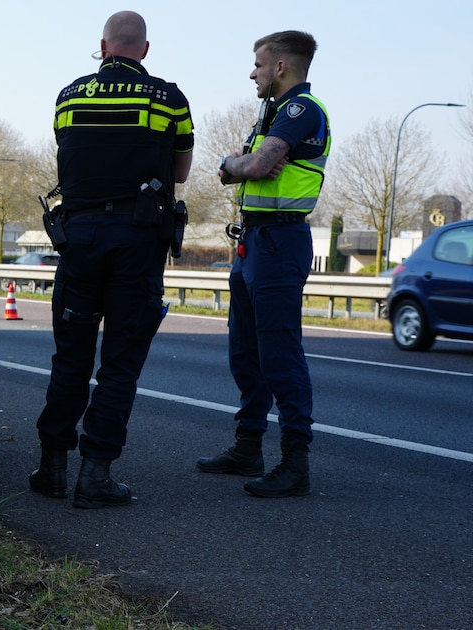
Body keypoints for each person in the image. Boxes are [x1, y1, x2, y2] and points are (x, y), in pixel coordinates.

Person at [29, 10, 194, 509]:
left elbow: (70, 153)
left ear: (103, 47)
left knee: (70, 359)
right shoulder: (169, 99)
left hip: (78, 241)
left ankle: (52, 468)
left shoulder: (69, 95)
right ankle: (95, 475)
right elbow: (180, 170)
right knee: (119, 364)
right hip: (137, 242)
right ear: (144, 50)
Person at [197, 30, 330, 498]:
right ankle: (247, 447)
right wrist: (237, 160)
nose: (251, 72)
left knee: (279, 352)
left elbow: (251, 169)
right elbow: (227, 173)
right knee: (244, 353)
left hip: (278, 240)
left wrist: (245, 162)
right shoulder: (271, 118)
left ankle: (295, 463)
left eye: (258, 63)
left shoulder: (299, 111)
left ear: (280, 67)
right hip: (254, 241)